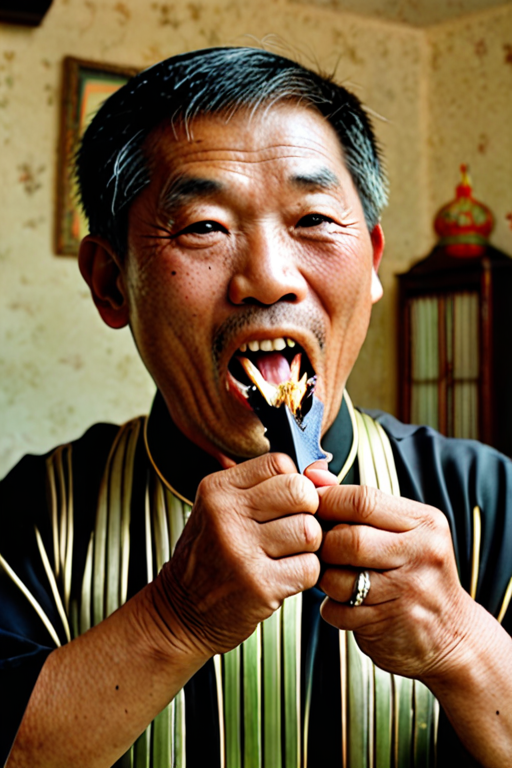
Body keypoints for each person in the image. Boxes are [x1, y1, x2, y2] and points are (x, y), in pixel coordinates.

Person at [1, 47, 511, 768]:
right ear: (111, 282)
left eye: (314, 219)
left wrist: (460, 640)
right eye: (204, 226)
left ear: (371, 261)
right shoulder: (34, 515)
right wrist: (176, 617)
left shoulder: (488, 503)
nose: (269, 278)